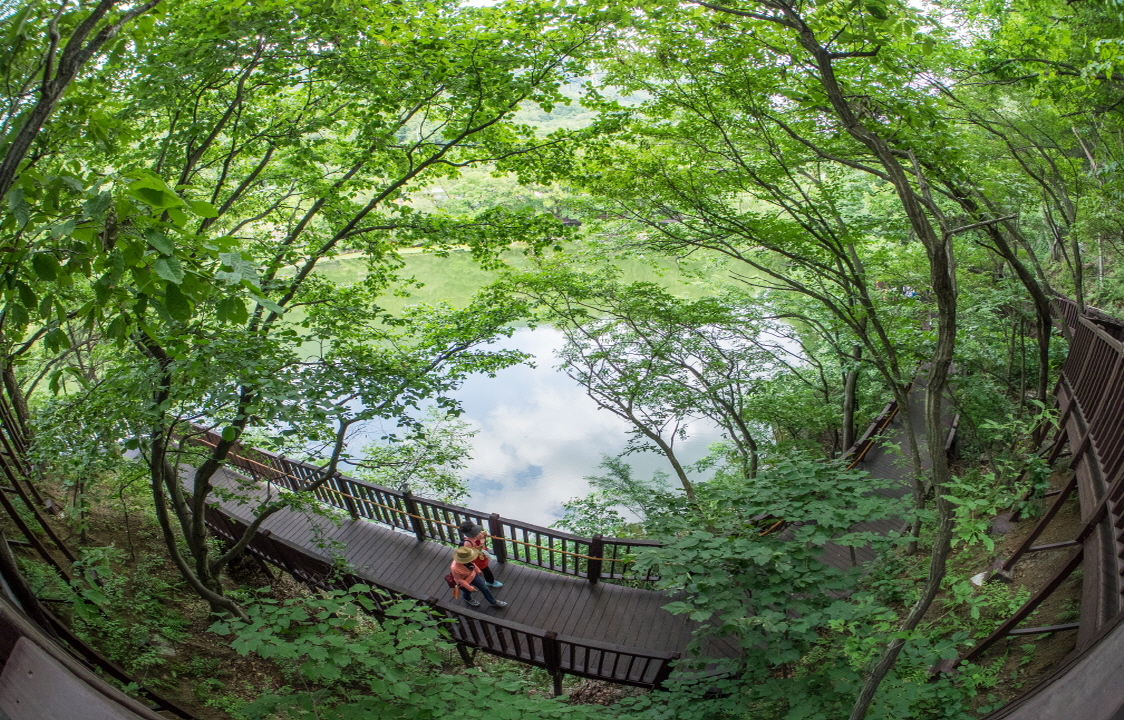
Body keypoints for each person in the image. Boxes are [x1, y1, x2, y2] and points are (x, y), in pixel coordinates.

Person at [458, 520, 503, 588]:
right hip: (476, 559)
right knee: (485, 570)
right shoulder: (467, 543)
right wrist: (482, 541)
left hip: (479, 556)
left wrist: (483, 536)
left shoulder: (476, 536)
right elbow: (477, 550)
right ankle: (490, 581)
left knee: (483, 569)